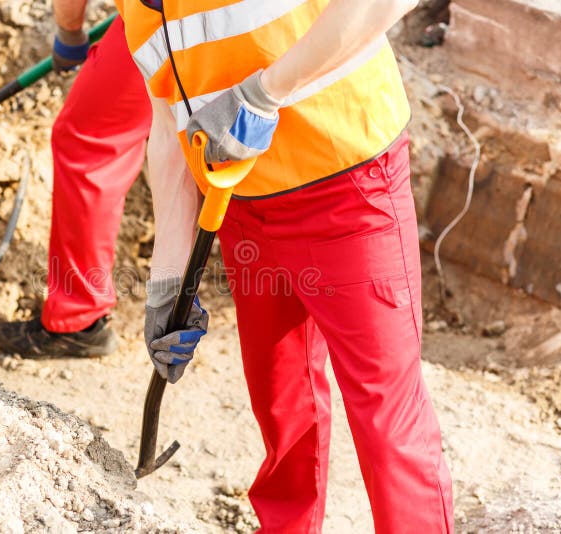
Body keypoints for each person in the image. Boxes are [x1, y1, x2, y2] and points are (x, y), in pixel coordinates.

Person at [119, 0, 455, 531]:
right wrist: (166, 281)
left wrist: (264, 92)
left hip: (346, 183)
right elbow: (170, 129)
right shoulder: (135, 7)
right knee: (282, 402)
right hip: (242, 207)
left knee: (385, 416)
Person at [0, 1, 151, 357]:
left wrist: (70, 34)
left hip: (175, 25)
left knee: (88, 144)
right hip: (280, 27)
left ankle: (77, 319)